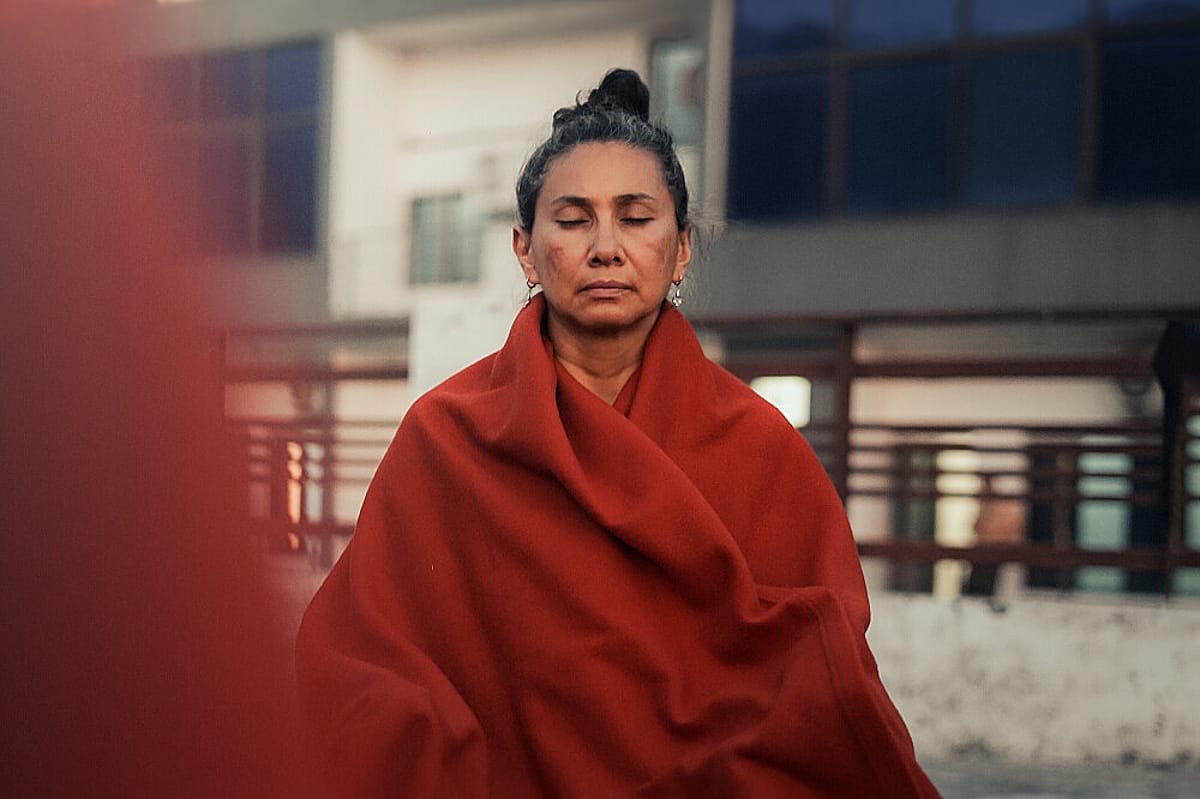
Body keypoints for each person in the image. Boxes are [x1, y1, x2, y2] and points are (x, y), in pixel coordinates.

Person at [296, 68, 941, 798]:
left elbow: (820, 677)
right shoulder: (446, 436)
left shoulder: (760, 445)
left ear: (682, 247)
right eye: (572, 220)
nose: (606, 247)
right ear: (525, 249)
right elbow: (364, 657)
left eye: (636, 218)